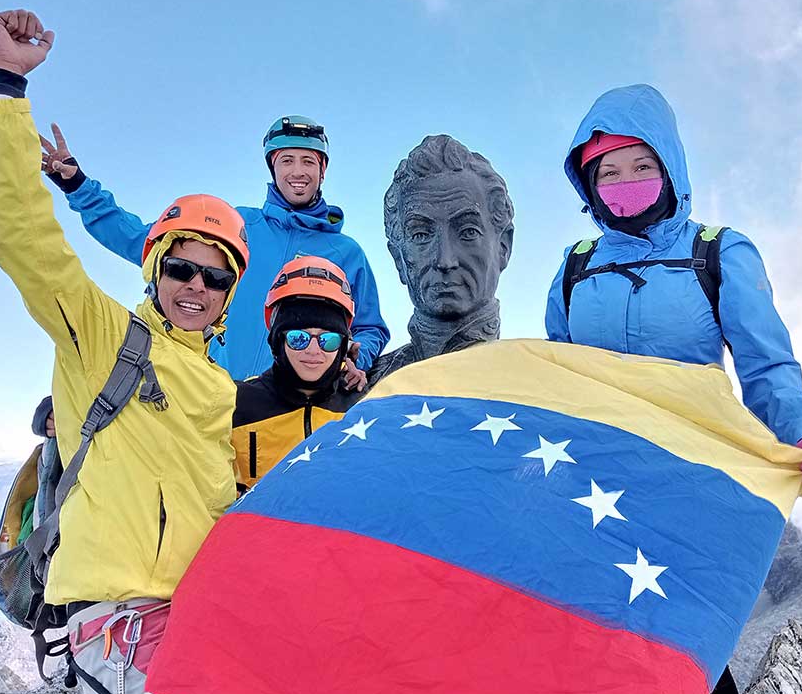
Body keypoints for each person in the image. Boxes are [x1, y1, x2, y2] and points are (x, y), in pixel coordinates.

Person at [0, 9, 321, 694]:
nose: (195, 286)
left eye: (215, 274)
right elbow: (21, 239)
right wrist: (7, 87)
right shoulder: (100, 338)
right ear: (156, 266)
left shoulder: (218, 384)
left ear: (232, 288)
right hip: (121, 619)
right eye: (181, 267)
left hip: (201, 615)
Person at [545, 84, 802, 694]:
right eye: (605, 172)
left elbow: (767, 363)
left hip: (687, 480)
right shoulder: (576, 265)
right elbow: (553, 374)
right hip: (597, 477)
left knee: (675, 629)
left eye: (638, 164)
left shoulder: (719, 252)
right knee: (598, 627)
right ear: (587, 183)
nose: (623, 183)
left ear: (671, 167)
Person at [41, 113, 389, 389]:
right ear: (273, 167)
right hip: (204, 389)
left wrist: (358, 360)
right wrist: (78, 186)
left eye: (308, 162)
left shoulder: (346, 252)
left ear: (322, 170)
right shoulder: (235, 226)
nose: (297, 172)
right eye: (287, 161)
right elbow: (142, 240)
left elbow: (370, 328)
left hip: (292, 409)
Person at [368, 134, 514, 385]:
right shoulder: (364, 393)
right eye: (421, 234)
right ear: (398, 259)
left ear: (503, 246)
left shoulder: (536, 385)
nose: (445, 260)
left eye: (468, 232)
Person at [233, 256, 358, 490]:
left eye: (328, 340)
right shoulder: (236, 401)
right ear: (278, 341)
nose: (313, 350)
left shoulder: (360, 407)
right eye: (298, 338)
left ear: (342, 346)